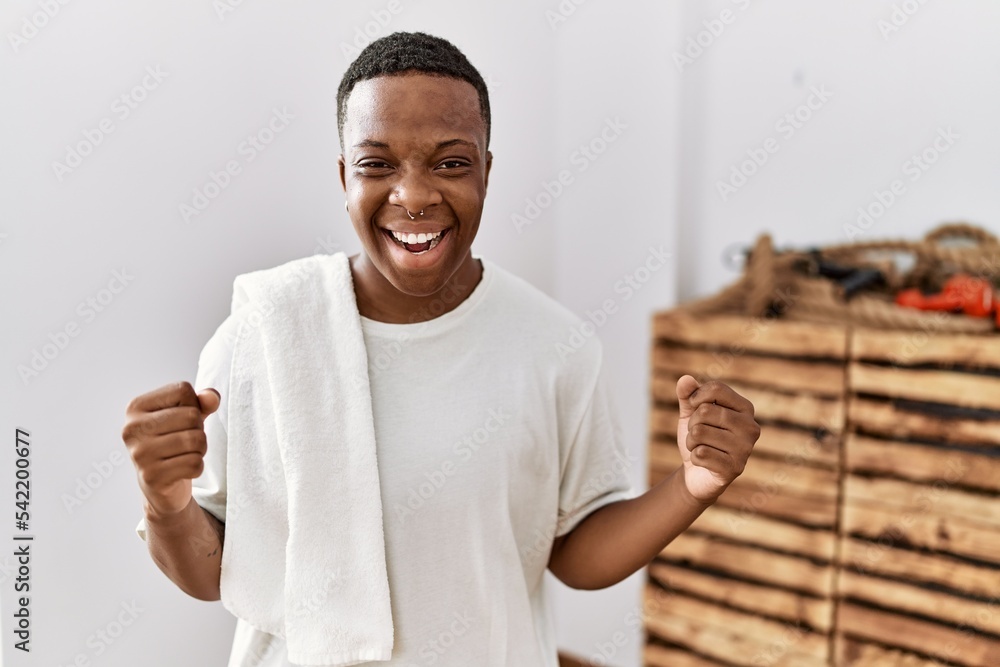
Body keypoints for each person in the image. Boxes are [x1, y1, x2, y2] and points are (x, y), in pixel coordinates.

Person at [122, 31, 760, 667]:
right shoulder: (264, 334)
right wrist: (165, 496)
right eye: (377, 164)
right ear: (345, 176)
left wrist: (693, 485)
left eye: (451, 162)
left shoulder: (554, 346)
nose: (415, 195)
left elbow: (574, 554)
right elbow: (212, 576)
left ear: (487, 169)